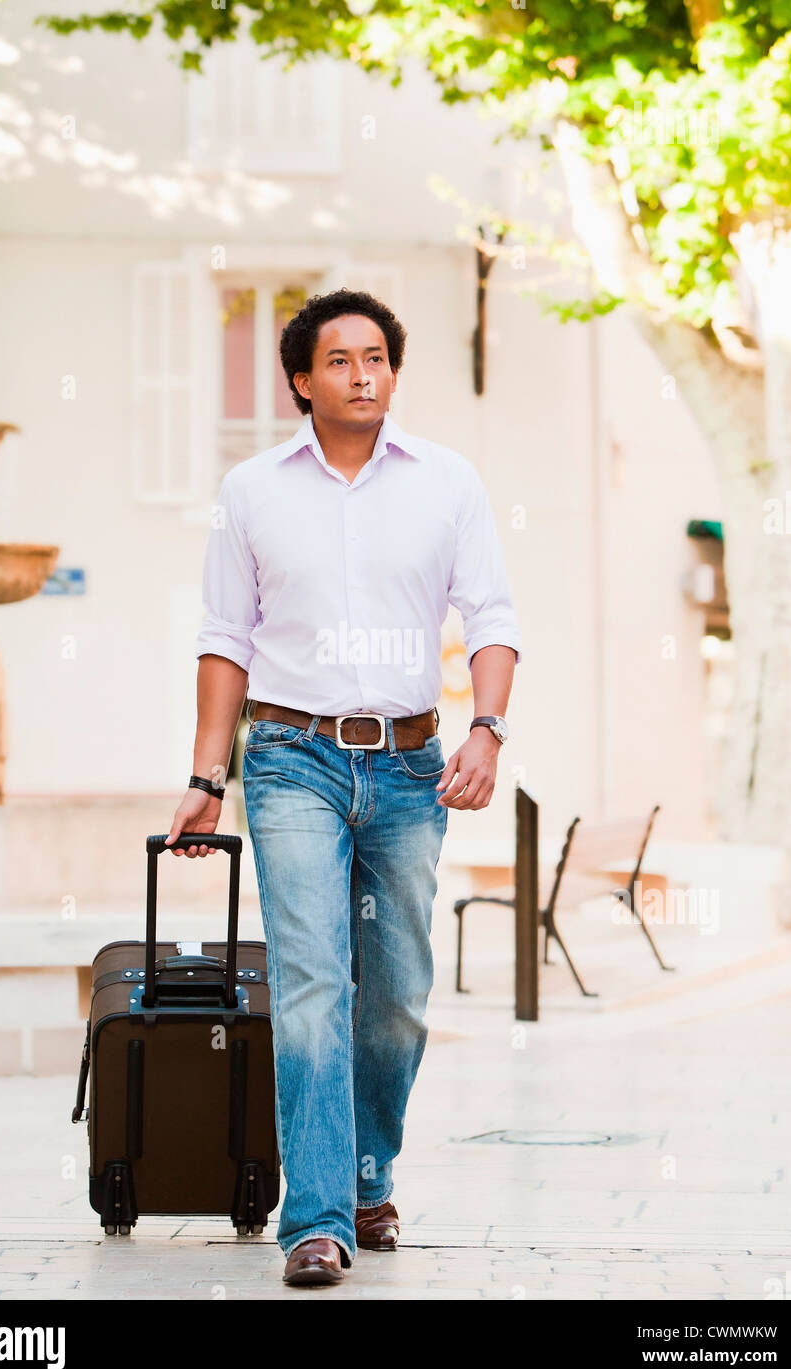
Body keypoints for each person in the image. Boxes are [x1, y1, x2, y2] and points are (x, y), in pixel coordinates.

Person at [166, 288, 521, 1286]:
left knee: (397, 995)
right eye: (340, 360)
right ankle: (315, 1218)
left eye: (377, 358)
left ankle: (369, 1172)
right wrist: (206, 771)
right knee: (314, 982)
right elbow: (224, 636)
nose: (362, 375)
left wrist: (487, 731)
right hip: (289, 759)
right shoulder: (252, 491)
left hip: (409, 766)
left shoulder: (447, 483)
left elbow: (492, 614)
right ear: (300, 381)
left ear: (392, 374)